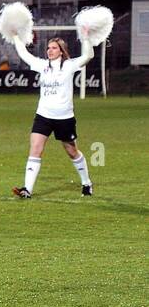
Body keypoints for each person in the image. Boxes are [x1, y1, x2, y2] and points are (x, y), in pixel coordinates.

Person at [10, 33, 95, 198]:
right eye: (48, 48)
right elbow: (24, 54)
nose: (50, 50)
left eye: (54, 48)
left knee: (72, 152)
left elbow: (88, 55)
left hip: (64, 117)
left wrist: (86, 38)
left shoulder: (70, 65)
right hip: (43, 116)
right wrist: (14, 36)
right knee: (35, 148)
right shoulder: (42, 65)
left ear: (61, 51)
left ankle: (86, 183)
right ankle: (27, 189)